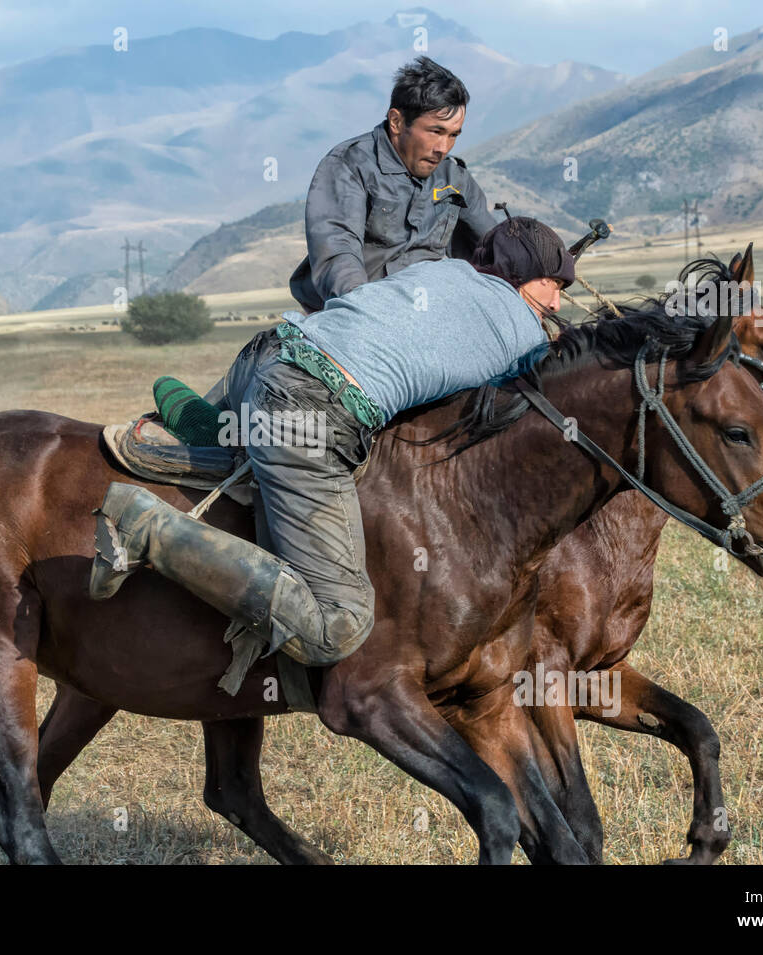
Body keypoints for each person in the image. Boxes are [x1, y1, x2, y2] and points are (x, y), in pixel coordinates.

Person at [90, 217, 575, 691]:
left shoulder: (443, 270)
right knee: (335, 625)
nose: (556, 301)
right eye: (551, 284)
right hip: (307, 412)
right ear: (516, 277)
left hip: (267, 353)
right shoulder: (525, 335)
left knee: (236, 435)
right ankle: (147, 530)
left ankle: (207, 424)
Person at [287, 55, 498, 314]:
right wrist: (367, 312)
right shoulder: (350, 165)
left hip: (428, 312)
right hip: (356, 314)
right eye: (435, 132)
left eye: (453, 135)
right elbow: (337, 254)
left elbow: (495, 246)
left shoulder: (454, 178)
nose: (443, 148)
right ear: (397, 121)